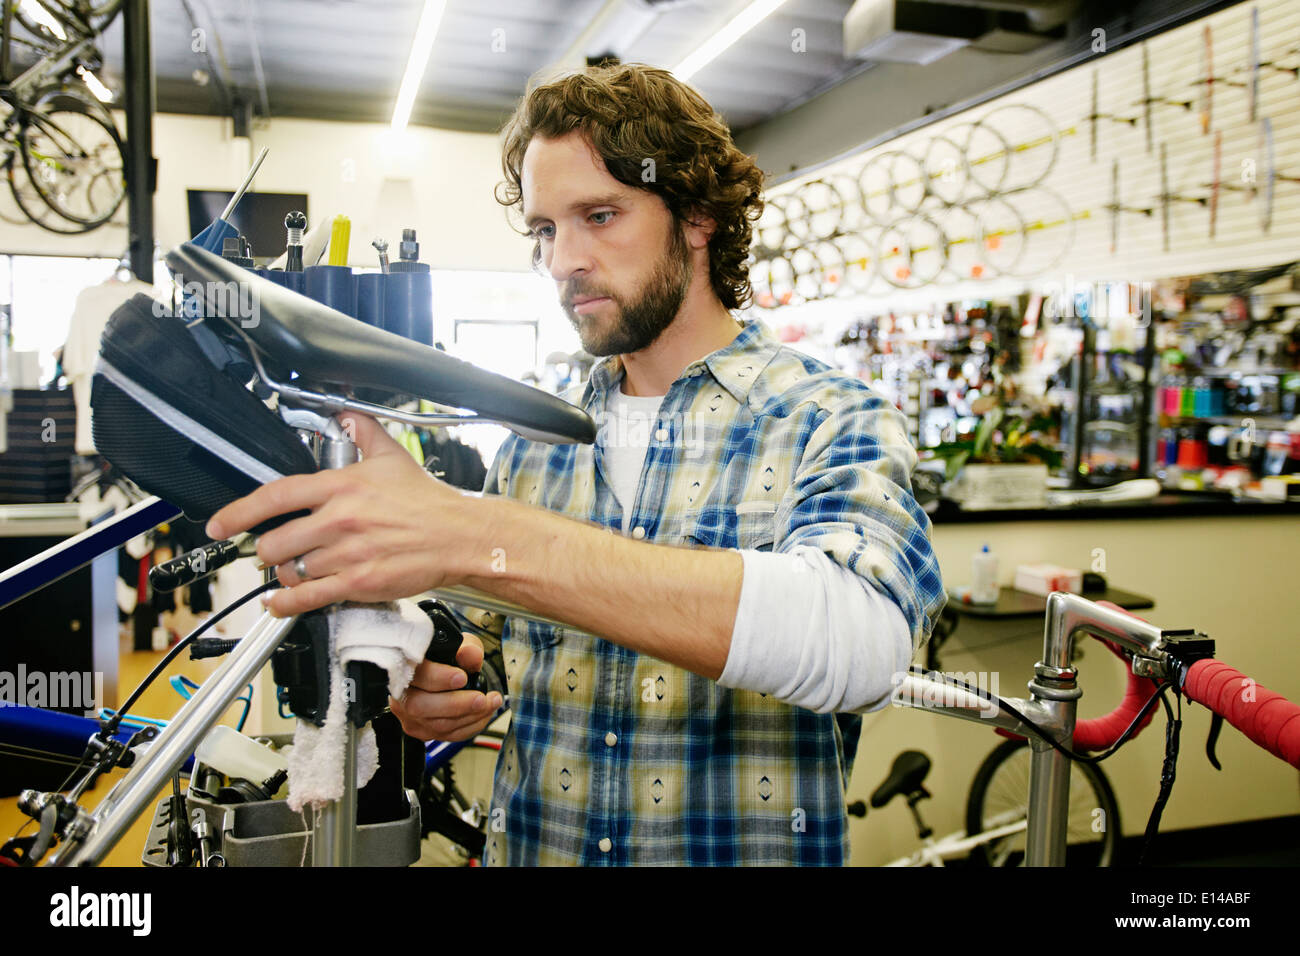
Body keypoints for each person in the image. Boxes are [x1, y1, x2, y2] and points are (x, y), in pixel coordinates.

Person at [204, 63, 947, 866]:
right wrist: (440, 684)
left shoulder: (825, 417)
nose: (563, 262)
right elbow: (489, 648)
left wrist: (477, 530)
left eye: (599, 215)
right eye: (546, 231)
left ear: (698, 217)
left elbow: (864, 643)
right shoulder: (537, 439)